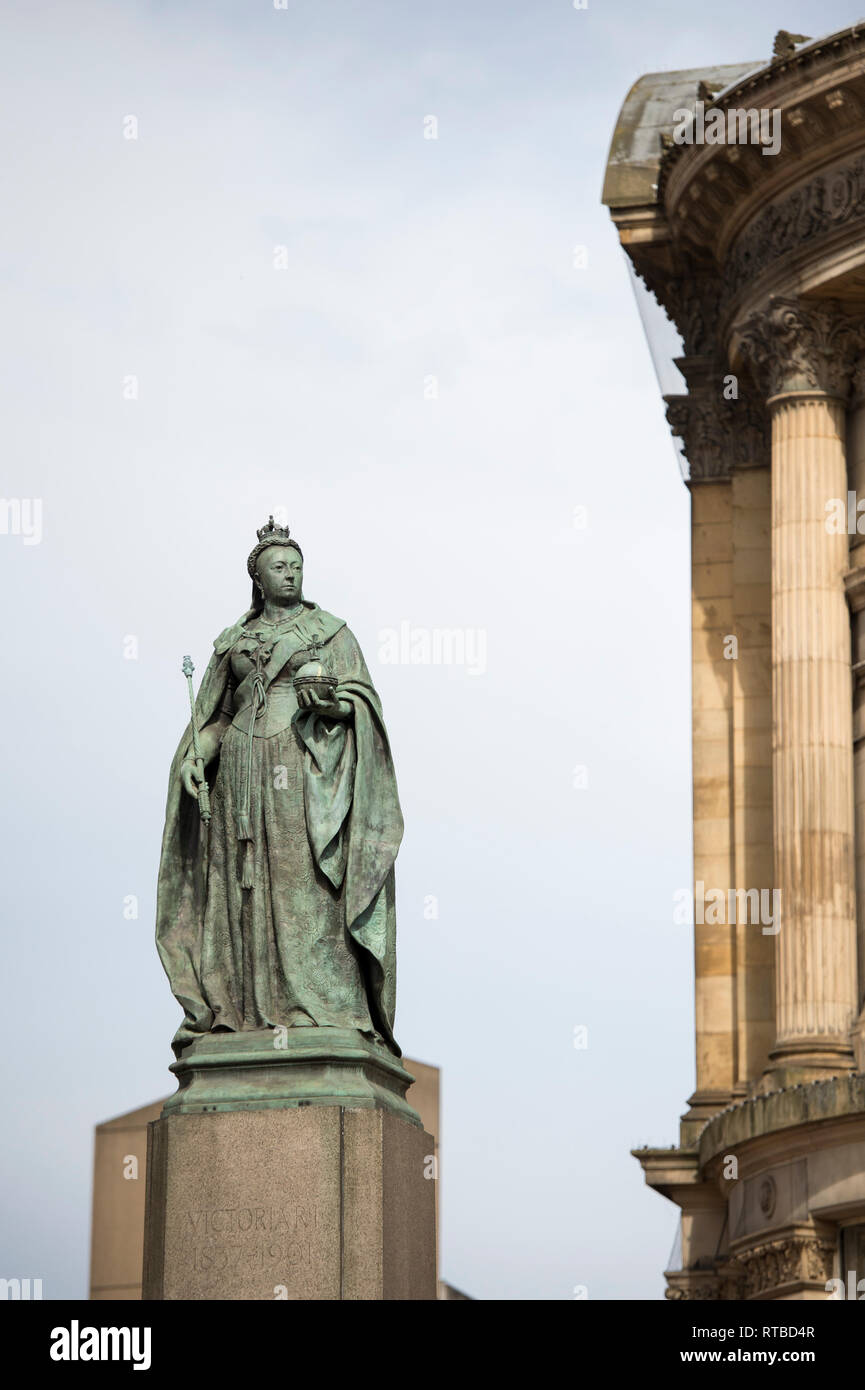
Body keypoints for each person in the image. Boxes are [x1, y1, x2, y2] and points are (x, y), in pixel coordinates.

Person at [155, 517, 404, 1058]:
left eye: (295, 566)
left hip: (303, 773)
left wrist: (336, 706)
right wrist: (196, 758)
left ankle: (329, 1008)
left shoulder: (331, 632)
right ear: (258, 579)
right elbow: (215, 717)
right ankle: (241, 1009)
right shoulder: (233, 642)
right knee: (244, 891)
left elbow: (363, 702)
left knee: (304, 886)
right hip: (240, 777)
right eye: (278, 567)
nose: (288, 574)